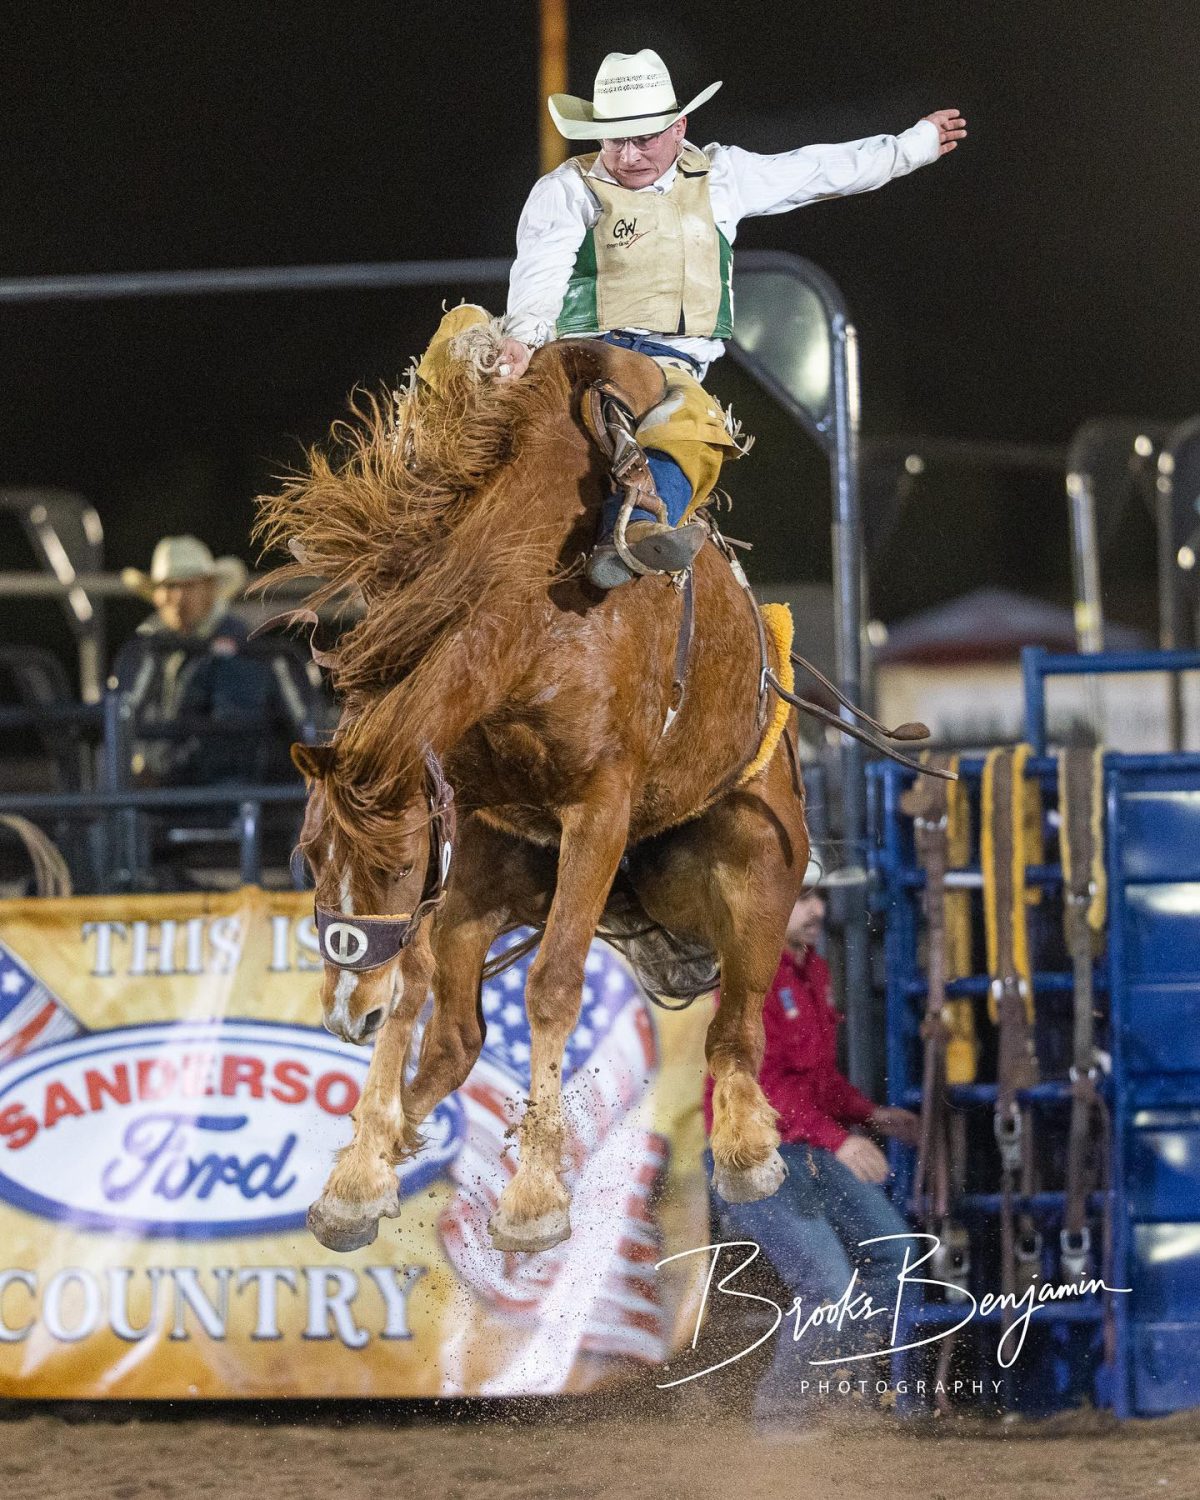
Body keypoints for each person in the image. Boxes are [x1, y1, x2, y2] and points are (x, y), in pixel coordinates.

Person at [492, 48, 966, 588]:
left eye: (643, 139)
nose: (628, 155)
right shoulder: (566, 189)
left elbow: (818, 169)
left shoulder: (722, 176)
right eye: (614, 140)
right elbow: (542, 268)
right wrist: (522, 337)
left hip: (672, 367)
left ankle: (636, 527)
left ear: (678, 128)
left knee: (694, 427)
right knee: (469, 372)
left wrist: (912, 147)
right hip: (583, 354)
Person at [702, 862, 921, 1427]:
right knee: (828, 1286)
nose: (817, 909)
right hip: (753, 1158)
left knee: (897, 1255)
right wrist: (839, 1138)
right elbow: (757, 1086)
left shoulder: (811, 971)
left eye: (818, 896)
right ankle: (783, 1416)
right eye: (801, 897)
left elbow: (815, 1082)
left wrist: (868, 1114)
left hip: (807, 1152)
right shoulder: (746, 982)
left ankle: (836, 1389)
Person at [115, 535, 307, 786]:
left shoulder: (237, 646)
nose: (178, 597)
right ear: (157, 595)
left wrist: (160, 775)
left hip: (217, 790)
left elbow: (230, 738)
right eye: (169, 586)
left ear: (209, 590)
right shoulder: (149, 645)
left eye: (189, 586)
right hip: (176, 786)